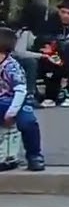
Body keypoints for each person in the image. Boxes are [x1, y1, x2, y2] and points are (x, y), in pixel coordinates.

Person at [0, 27, 44, 171]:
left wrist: (12, 112)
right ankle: (5, 156)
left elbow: (20, 90)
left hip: (15, 100)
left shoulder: (11, 67)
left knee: (28, 122)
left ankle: (34, 155)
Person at [36, 0, 69, 107]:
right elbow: (45, 41)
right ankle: (51, 96)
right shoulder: (50, 24)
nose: (65, 16)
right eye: (63, 12)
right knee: (56, 61)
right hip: (51, 56)